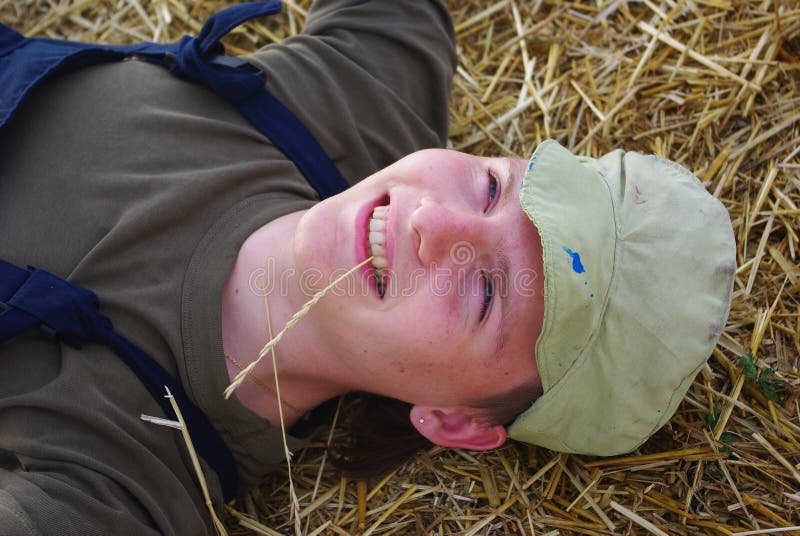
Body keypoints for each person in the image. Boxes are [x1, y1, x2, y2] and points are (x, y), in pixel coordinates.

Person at [0, 1, 736, 535]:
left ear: (456, 420)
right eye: (490, 187)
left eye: (485, 292)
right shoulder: (360, 109)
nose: (429, 220)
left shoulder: (132, 473)